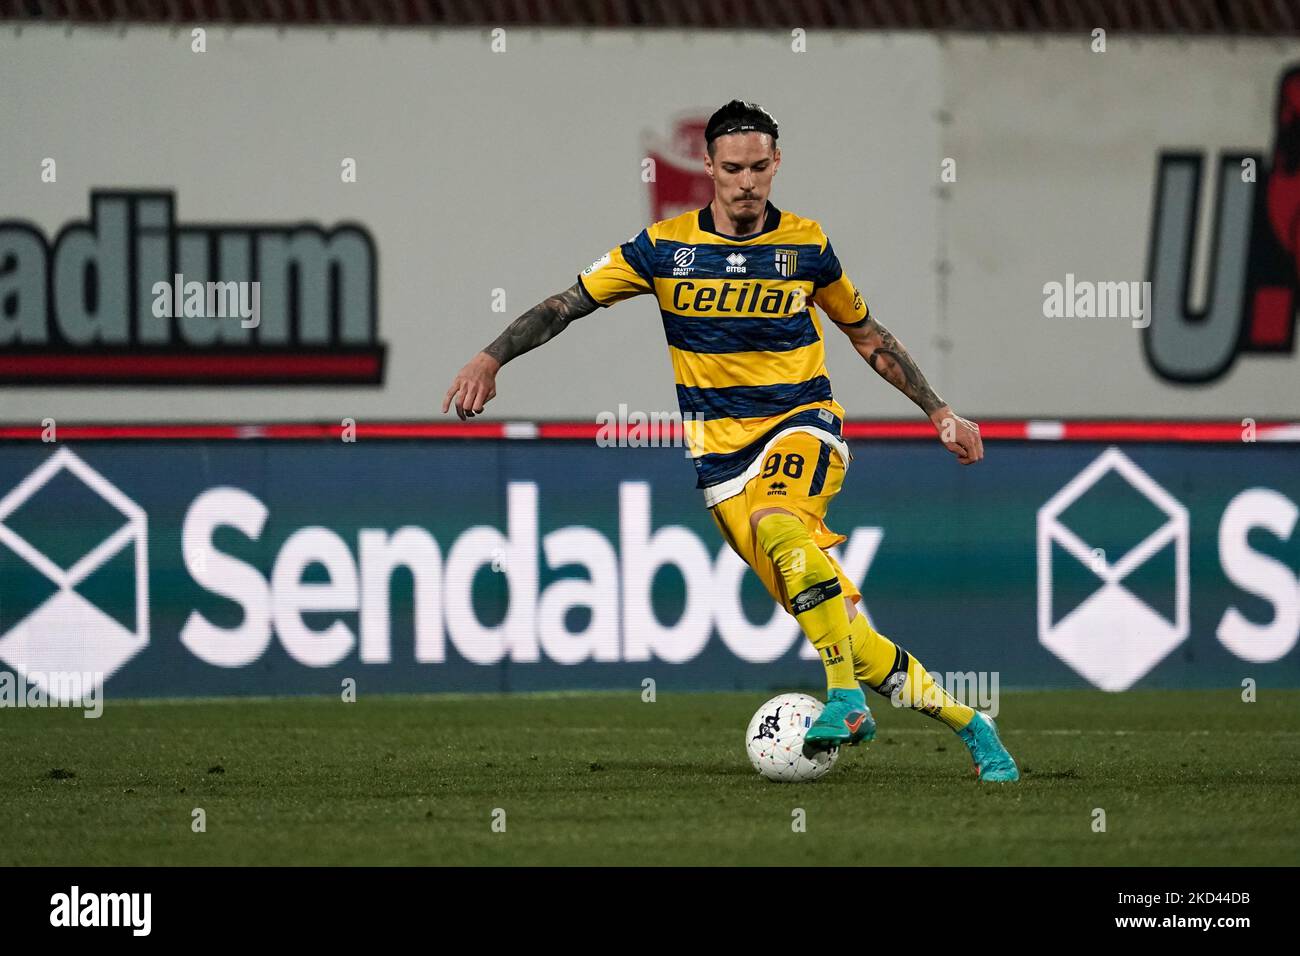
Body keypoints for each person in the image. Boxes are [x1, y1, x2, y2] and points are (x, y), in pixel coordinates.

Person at [443, 99, 1019, 782]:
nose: (747, 182)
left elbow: (869, 337)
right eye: (733, 169)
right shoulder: (663, 250)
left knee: (779, 520)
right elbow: (565, 305)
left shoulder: (806, 246)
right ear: (709, 168)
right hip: (721, 466)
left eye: (759, 168)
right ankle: (971, 724)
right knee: (851, 636)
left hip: (803, 425)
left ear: (776, 164)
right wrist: (491, 357)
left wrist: (938, 410)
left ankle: (843, 700)